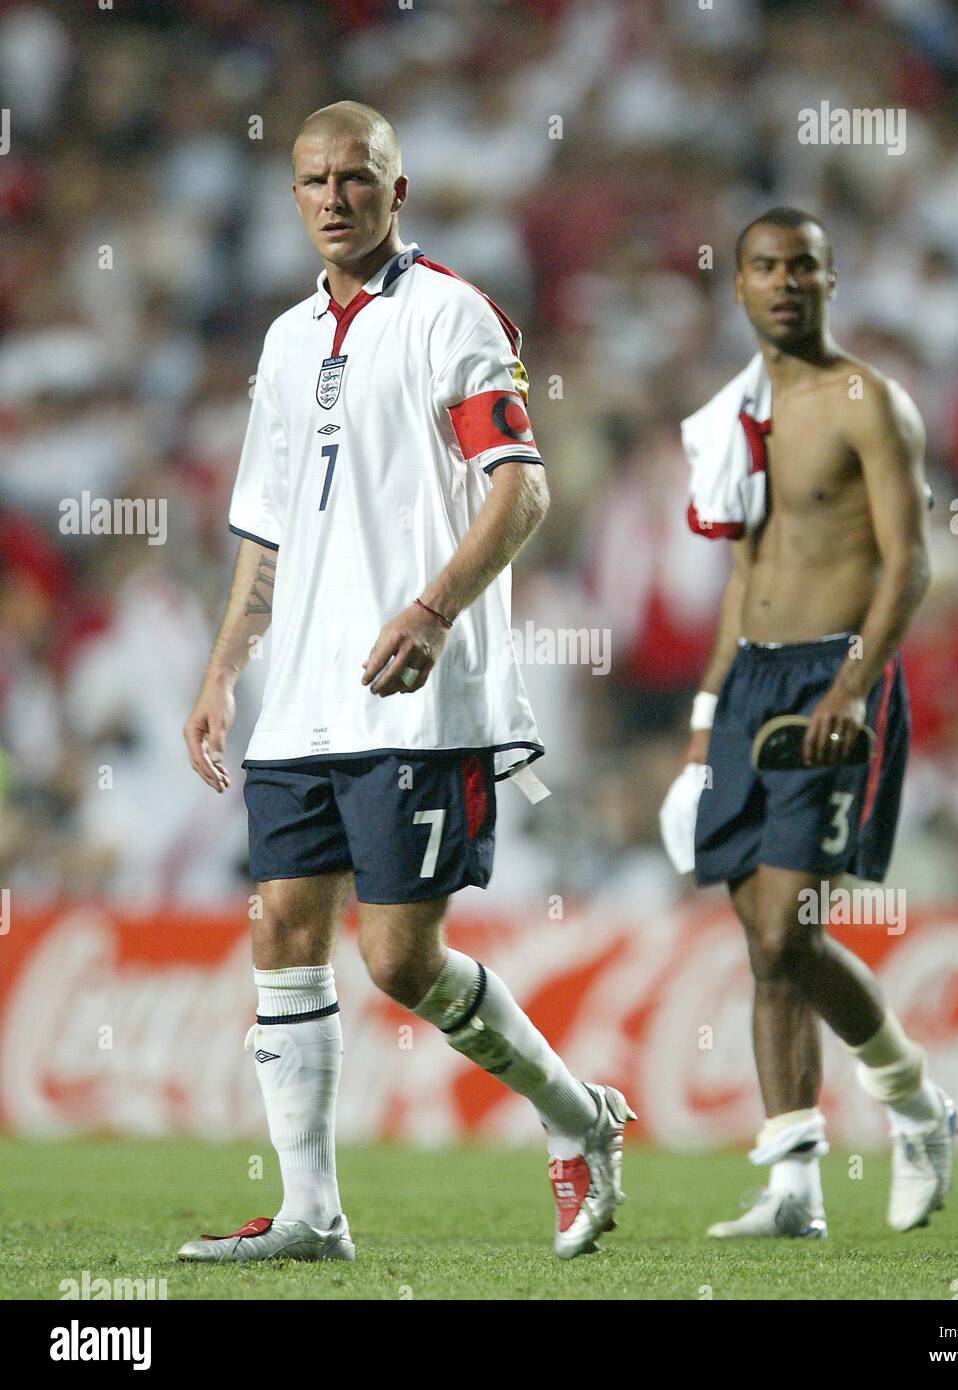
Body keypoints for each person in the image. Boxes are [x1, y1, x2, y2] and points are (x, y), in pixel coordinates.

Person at [179, 101, 633, 1264]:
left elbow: (520, 488)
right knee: (280, 925)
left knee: (397, 960)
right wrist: (225, 669)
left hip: (419, 693)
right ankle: (311, 1213)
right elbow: (265, 531)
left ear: (399, 190)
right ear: (293, 196)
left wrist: (433, 612)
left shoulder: (452, 316)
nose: (334, 197)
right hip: (304, 697)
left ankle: (576, 1111)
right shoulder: (284, 344)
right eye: (313, 180)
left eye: (356, 178)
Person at [681, 207, 955, 1238]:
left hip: (834, 681)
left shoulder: (868, 403)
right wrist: (707, 711)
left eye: (804, 265)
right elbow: (742, 576)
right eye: (765, 266)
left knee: (788, 925)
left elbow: (909, 561)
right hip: (750, 682)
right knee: (763, 945)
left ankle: (914, 1102)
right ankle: (793, 1183)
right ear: (739, 285)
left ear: (832, 281)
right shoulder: (734, 413)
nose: (785, 281)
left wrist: (850, 685)